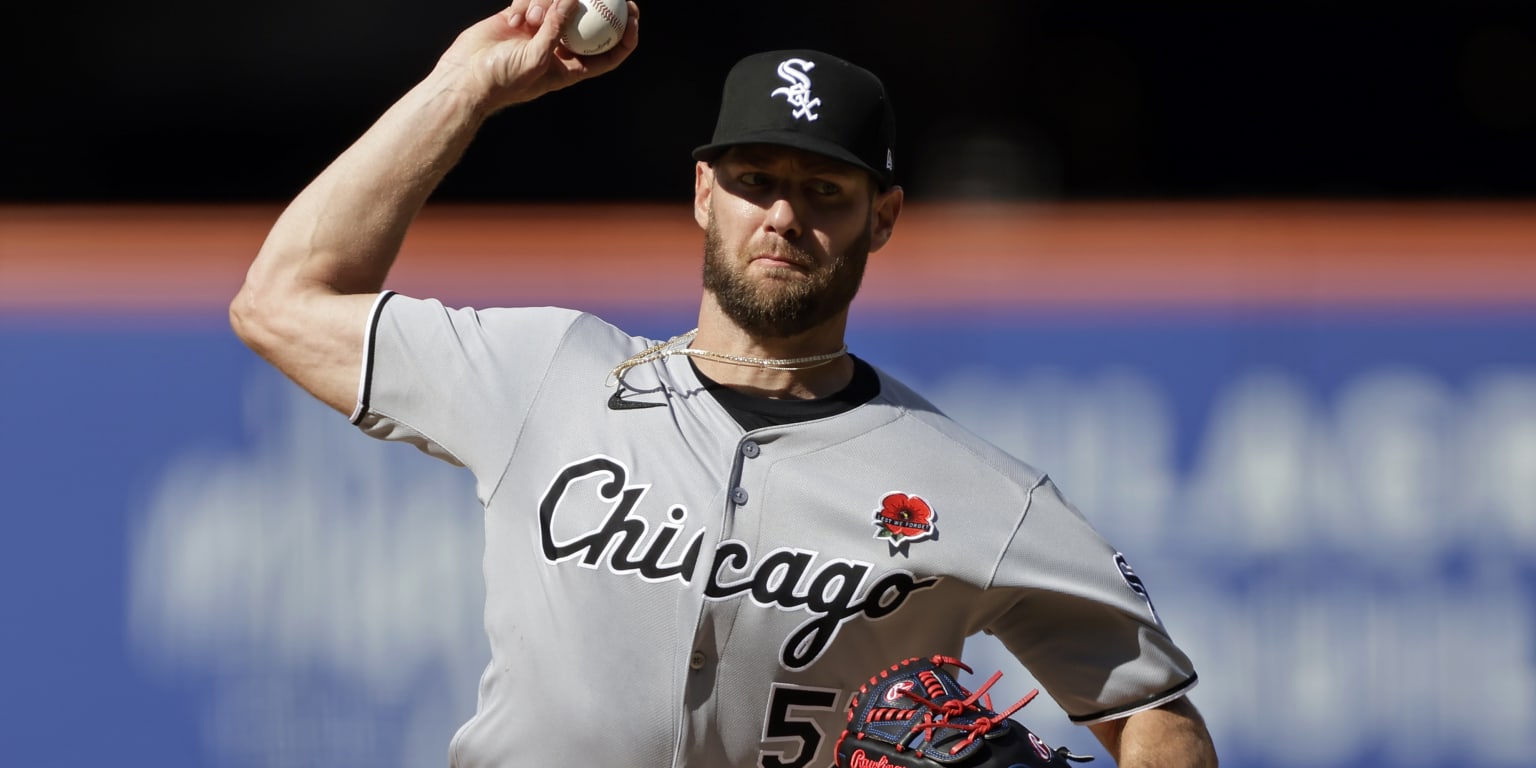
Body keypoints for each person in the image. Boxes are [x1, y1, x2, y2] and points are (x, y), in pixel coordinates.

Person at [230, 1, 1219, 766]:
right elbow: (279, 301)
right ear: (704, 193)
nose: (783, 216)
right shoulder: (545, 373)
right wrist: (465, 88)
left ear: (883, 217)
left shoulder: (980, 496)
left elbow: (1157, 720)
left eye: (824, 190)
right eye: (755, 180)